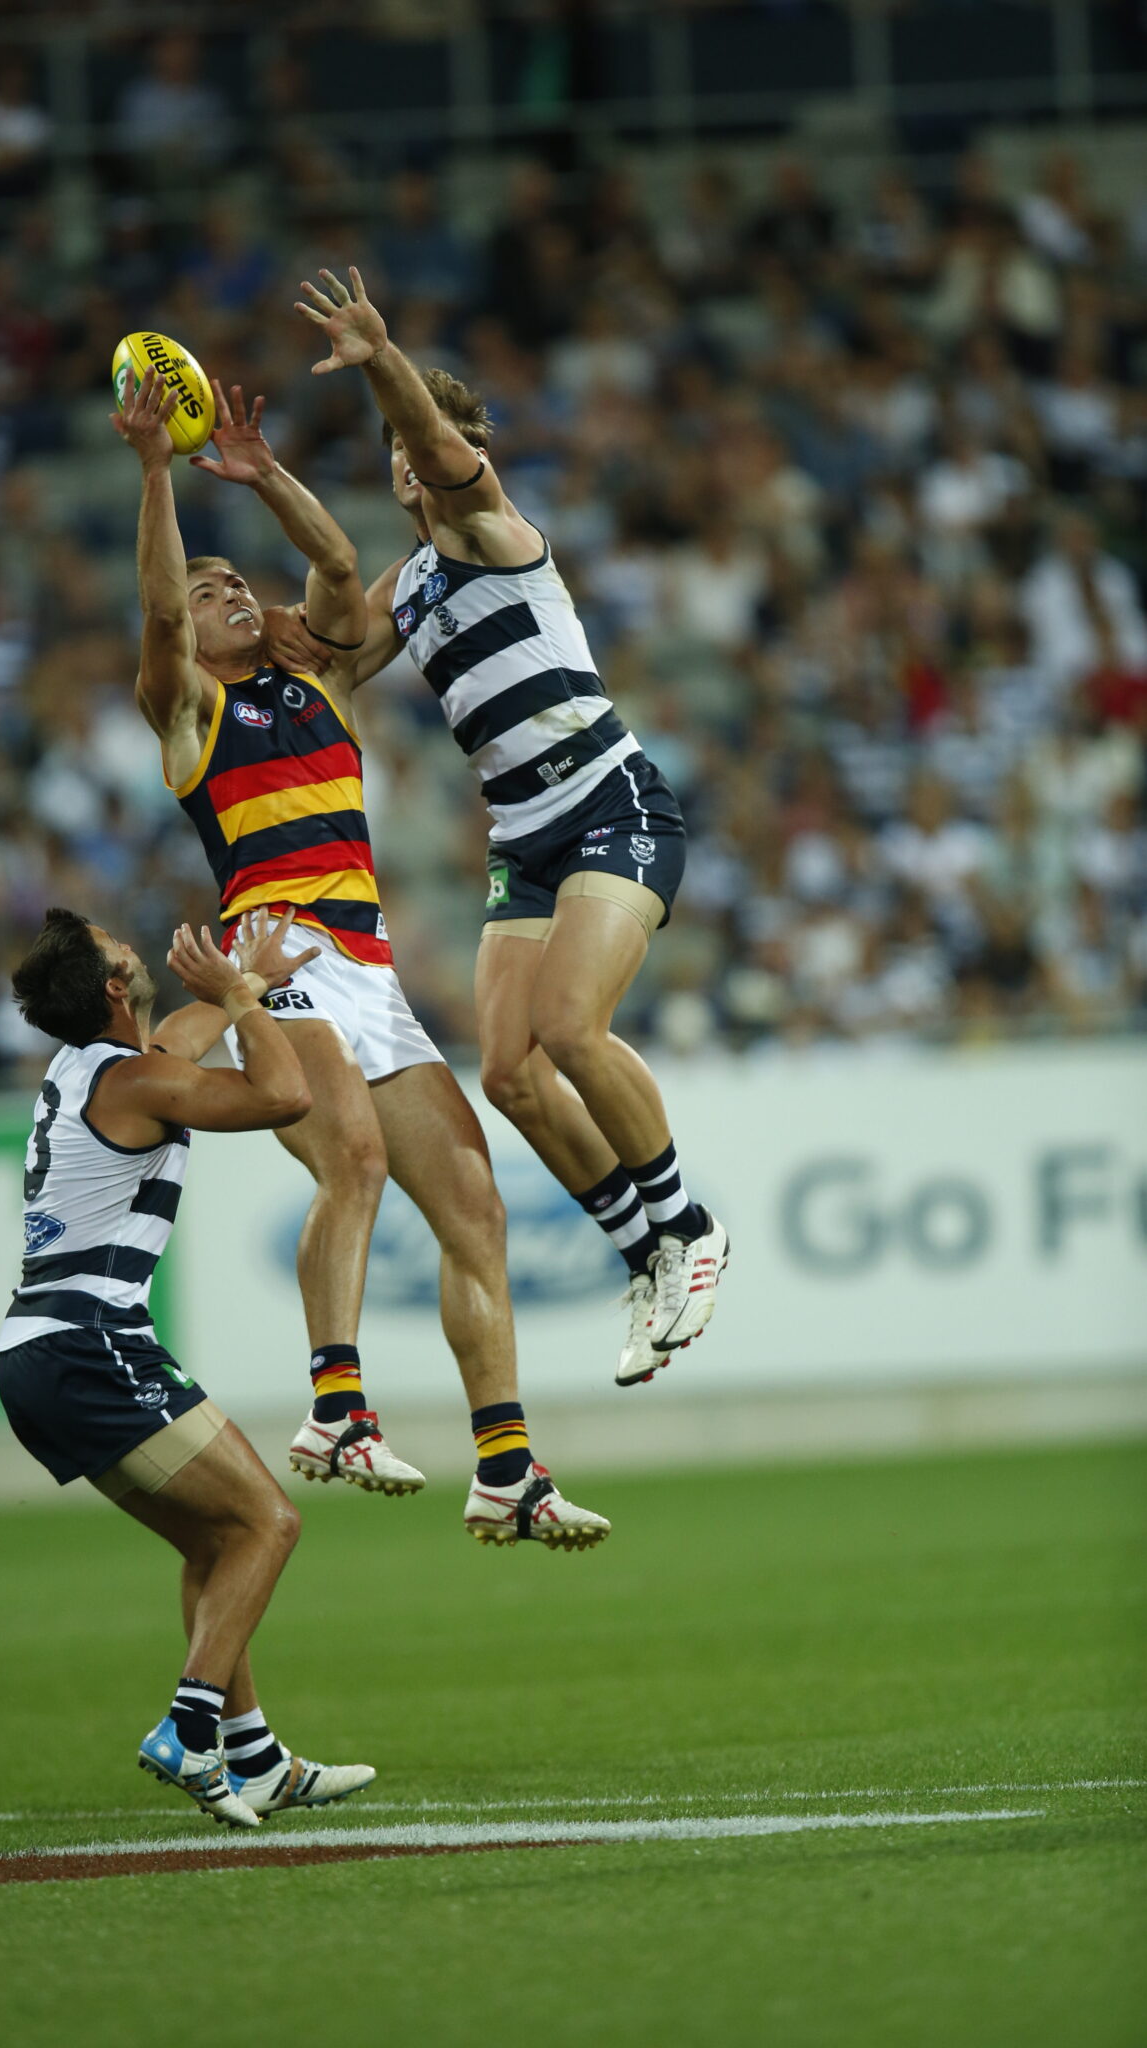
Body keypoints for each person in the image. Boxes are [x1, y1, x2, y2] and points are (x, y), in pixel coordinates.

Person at [109, 363, 609, 1550]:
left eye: (239, 582)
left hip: (367, 969)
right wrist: (152, 476)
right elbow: (166, 616)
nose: (230, 592)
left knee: (476, 1205)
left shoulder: (317, 679)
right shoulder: (189, 712)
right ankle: (336, 1403)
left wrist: (264, 471)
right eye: (212, 586)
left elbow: (337, 568)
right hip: (274, 953)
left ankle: (507, 1466)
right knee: (355, 1161)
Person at [294, 266, 730, 1386]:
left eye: (420, 440)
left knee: (575, 1031)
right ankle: (642, 1250)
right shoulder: (414, 581)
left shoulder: (494, 527)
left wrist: (382, 364)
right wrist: (260, 483)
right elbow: (332, 645)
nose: (409, 460)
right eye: (394, 449)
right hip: (524, 833)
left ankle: (686, 1228)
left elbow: (438, 451)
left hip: (608, 802)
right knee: (512, 1071)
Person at [0, 903, 375, 1824]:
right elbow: (285, 1098)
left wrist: (258, 970)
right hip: (92, 1340)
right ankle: (188, 1727)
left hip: (38, 1350)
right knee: (268, 1525)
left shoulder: (98, 1066)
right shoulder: (136, 1082)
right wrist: (246, 999)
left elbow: (176, 1041)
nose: (128, 943)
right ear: (114, 986)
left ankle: (251, 1758)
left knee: (215, 1544)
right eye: (115, 948)